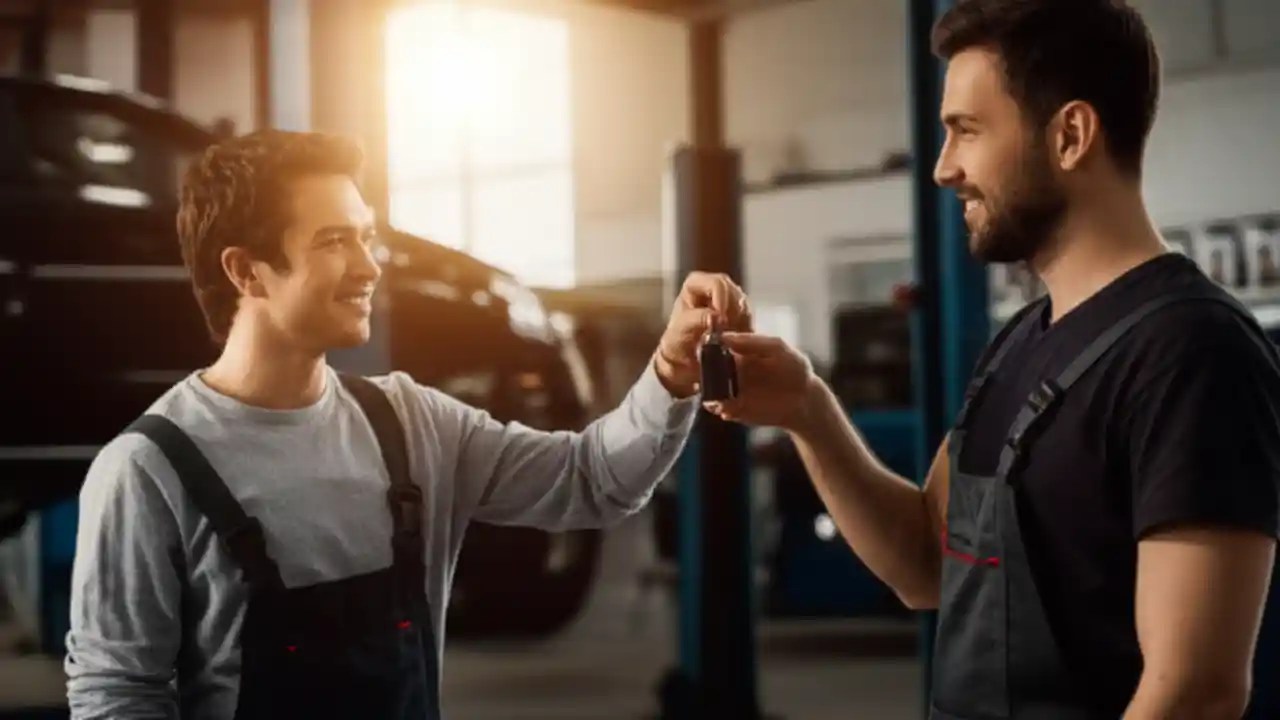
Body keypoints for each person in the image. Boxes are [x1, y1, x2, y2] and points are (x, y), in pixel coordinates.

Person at [707, 1, 1280, 718]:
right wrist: (807, 411)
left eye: (967, 131)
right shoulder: (1022, 341)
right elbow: (926, 565)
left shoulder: (1191, 352)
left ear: (1070, 135)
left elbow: (1195, 690)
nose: (943, 168)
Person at [63, 129, 749, 719]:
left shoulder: (409, 423)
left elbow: (593, 480)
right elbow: (117, 694)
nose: (370, 267)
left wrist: (671, 371)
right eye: (335, 241)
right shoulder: (148, 473)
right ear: (247, 271)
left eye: (367, 238)